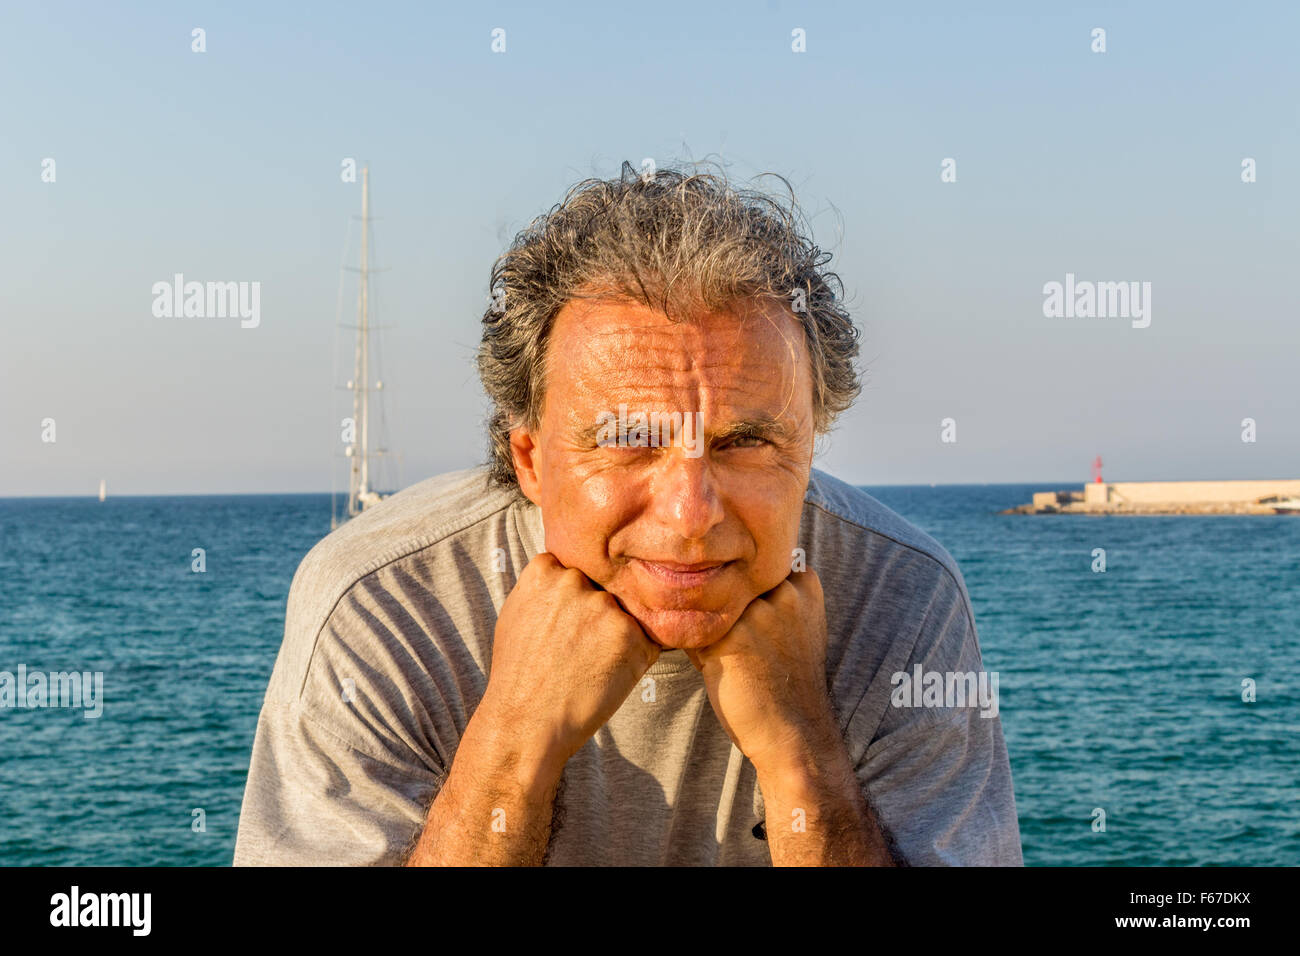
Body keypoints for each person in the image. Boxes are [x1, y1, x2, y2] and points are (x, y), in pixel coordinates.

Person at [233, 162, 1022, 866]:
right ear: (531, 459)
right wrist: (511, 743)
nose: (690, 512)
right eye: (629, 442)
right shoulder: (383, 603)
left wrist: (802, 754)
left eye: (744, 441)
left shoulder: (906, 598)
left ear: (810, 446)